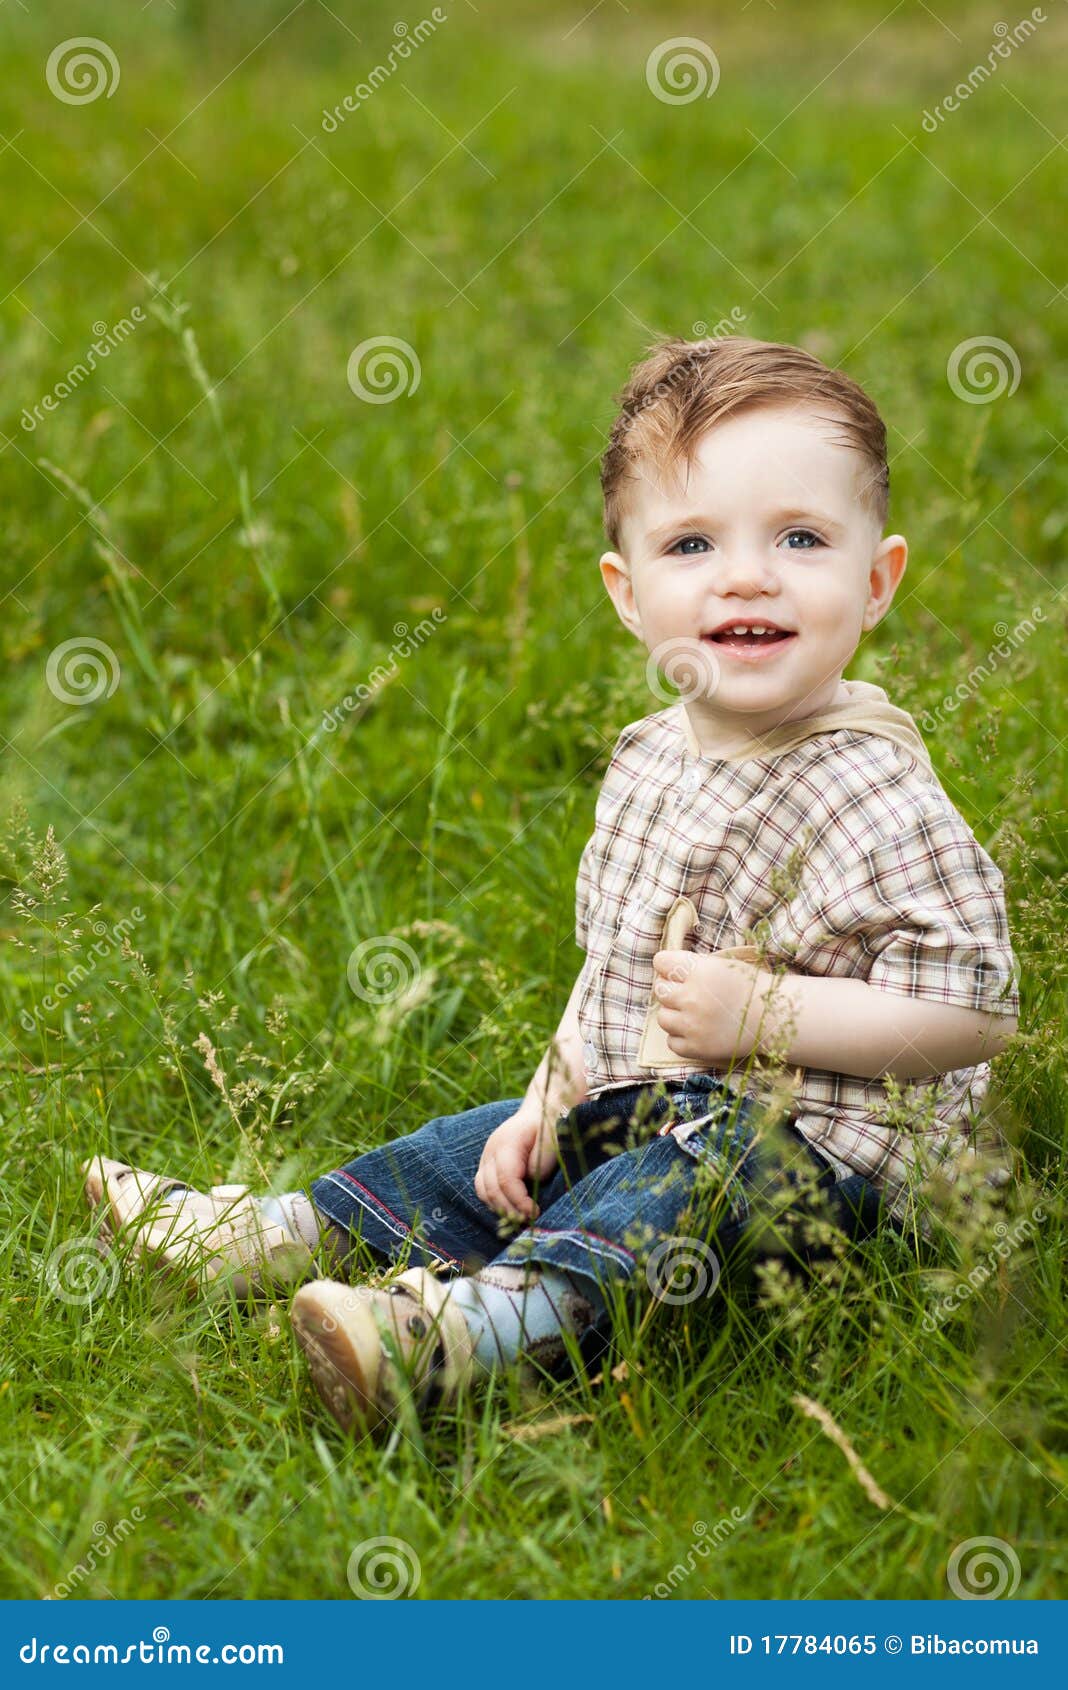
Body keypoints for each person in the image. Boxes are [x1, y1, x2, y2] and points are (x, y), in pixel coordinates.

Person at [82, 335, 1019, 1438]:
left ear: (876, 579)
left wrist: (766, 1015)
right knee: (477, 1150)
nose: (748, 574)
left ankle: (469, 1336)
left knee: (697, 1173)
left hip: (832, 1175)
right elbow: (609, 974)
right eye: (691, 542)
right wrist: (545, 1098)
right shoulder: (647, 760)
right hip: (652, 1104)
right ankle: (280, 1237)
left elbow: (972, 1015)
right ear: (628, 592)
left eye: (801, 537)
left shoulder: (875, 793)